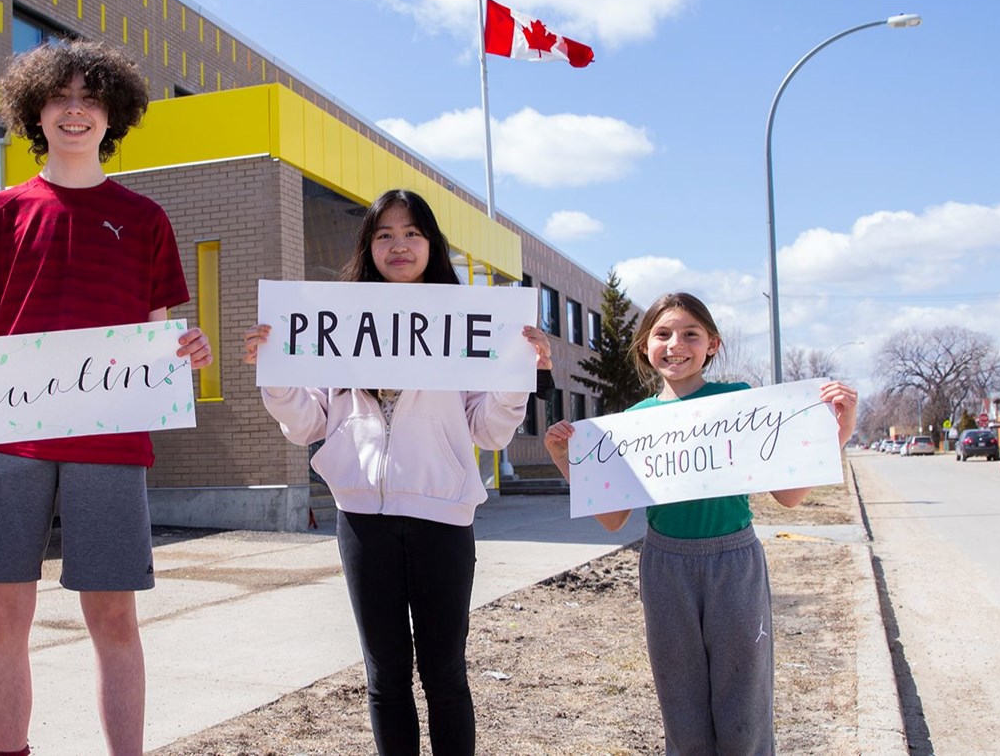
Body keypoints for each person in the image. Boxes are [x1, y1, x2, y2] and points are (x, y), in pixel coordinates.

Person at [0, 39, 211, 756]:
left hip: (110, 443)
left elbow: (159, 339)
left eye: (90, 97)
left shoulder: (146, 220)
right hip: (5, 441)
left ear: (113, 113)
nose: (76, 110)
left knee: (114, 617)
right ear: (36, 110)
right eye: (60, 96)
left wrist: (186, 352)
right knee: (0, 617)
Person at [241, 188, 550, 756]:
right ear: (368, 246)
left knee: (445, 675)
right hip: (363, 520)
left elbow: (487, 430)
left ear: (431, 245)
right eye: (384, 234)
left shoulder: (469, 324)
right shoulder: (334, 323)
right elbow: (309, 421)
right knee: (385, 680)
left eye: (412, 233)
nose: (399, 245)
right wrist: (277, 375)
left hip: (442, 517)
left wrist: (513, 378)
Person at [542, 291, 857, 755]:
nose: (676, 344)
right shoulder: (633, 423)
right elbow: (612, 519)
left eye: (691, 334)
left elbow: (790, 497)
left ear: (712, 343)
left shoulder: (739, 403)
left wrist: (840, 429)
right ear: (645, 347)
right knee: (681, 703)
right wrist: (564, 460)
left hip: (734, 563)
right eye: (663, 334)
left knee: (744, 702)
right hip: (666, 566)